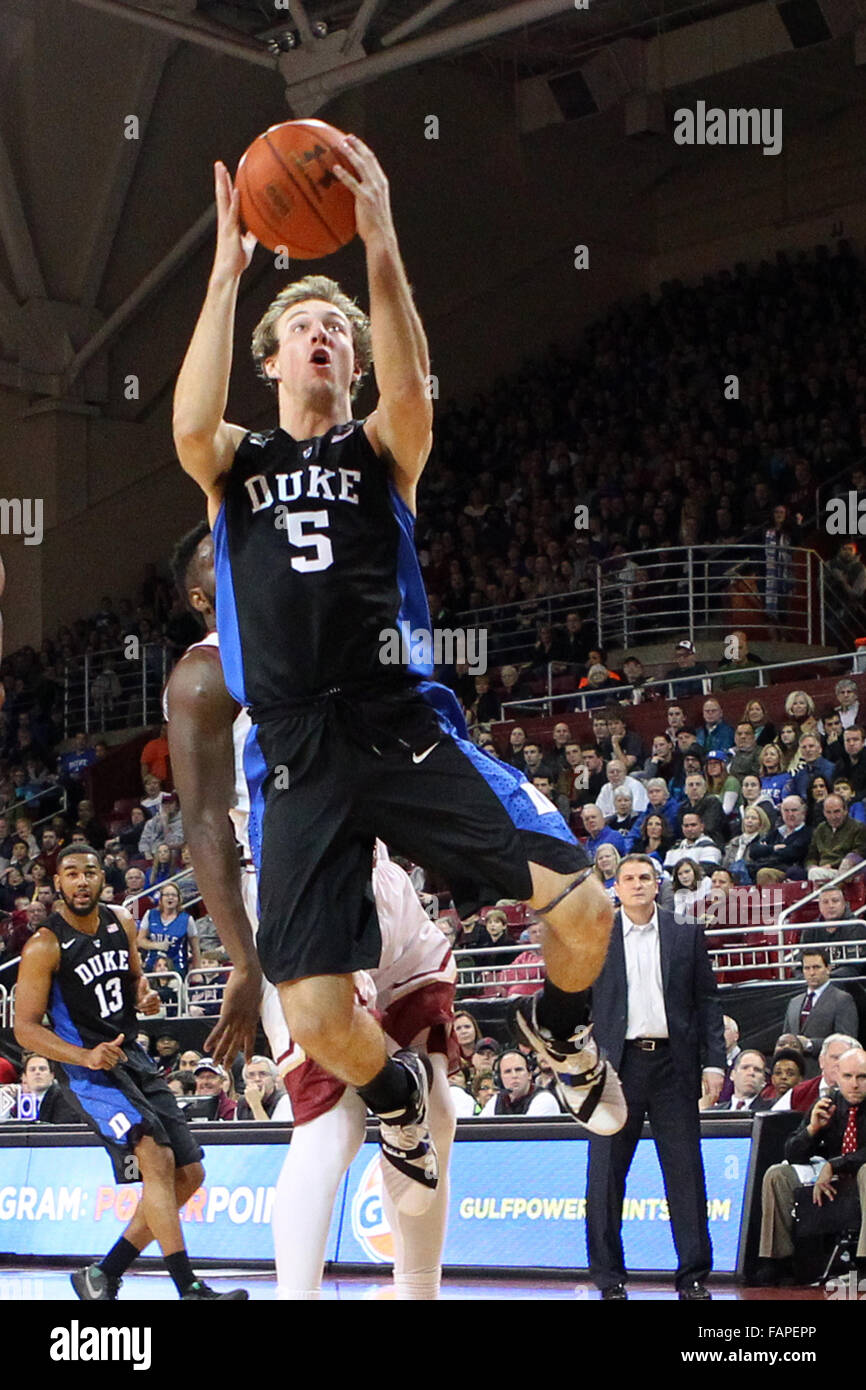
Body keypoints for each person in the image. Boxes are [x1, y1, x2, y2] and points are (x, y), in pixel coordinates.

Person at [173, 143, 625, 1210]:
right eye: (299, 331)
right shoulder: (234, 468)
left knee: (586, 909)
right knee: (319, 1009)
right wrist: (226, 268)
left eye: (334, 329)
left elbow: (415, 387)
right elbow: (188, 422)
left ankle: (561, 1038)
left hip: (399, 723)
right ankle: (390, 1094)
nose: (320, 336)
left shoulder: (383, 451)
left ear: (355, 360)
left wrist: (378, 242)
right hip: (297, 750)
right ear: (271, 364)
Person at [163, 529, 463, 1297]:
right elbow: (203, 827)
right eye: (214, 557)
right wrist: (240, 956)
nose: (235, 553)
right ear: (202, 596)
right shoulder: (204, 674)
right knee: (332, 1129)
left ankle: (419, 1289)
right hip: (290, 886)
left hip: (378, 874)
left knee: (435, 1103)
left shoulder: (311, 626)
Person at [12, 844, 245, 1301]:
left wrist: (144, 997)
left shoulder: (122, 920)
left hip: (130, 1057)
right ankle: (189, 1288)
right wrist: (83, 1057)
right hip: (86, 1073)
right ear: (57, 883)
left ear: (104, 879)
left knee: (191, 1173)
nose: (82, 881)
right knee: (156, 1159)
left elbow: (135, 978)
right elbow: (23, 1028)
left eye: (90, 873)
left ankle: (104, 1274)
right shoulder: (44, 944)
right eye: (72, 874)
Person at [585, 853, 725, 1301]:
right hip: (614, 1069)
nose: (638, 884)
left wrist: (714, 1061)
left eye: (645, 877)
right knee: (605, 1178)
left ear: (657, 883)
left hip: (673, 1066)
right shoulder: (598, 934)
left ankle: (694, 1277)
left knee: (685, 1174)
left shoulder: (685, 932)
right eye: (629, 878)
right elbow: (577, 1003)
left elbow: (708, 1002)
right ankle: (608, 1279)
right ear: (617, 887)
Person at [756, 1046, 866, 1286]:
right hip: (832, 1180)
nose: (855, 1084)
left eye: (862, 1077)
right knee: (778, 1174)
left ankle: (863, 1264)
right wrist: (812, 1130)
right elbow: (792, 1154)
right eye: (848, 1077)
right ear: (837, 1076)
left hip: (858, 1175)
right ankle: (777, 1261)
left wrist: (834, 1166)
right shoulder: (827, 1103)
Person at [781, 950, 859, 1074]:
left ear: (828, 968)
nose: (812, 973)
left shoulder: (842, 1000)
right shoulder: (794, 1002)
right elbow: (786, 1036)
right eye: (807, 968)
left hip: (823, 1073)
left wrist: (810, 1044)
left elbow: (847, 1041)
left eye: (816, 967)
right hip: (794, 1075)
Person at [478, 1049, 560, 1117]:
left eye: (518, 1070)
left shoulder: (544, 1099)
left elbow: (527, 1134)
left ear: (529, 1074)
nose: (514, 1075)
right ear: (499, 1078)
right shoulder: (497, 1100)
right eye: (507, 1071)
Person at [235, 1056, 292, 1121]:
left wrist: (255, 1104)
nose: (257, 1079)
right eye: (251, 1075)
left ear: (273, 1079)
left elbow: (272, 1130)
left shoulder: (284, 1100)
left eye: (263, 1074)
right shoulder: (241, 1102)